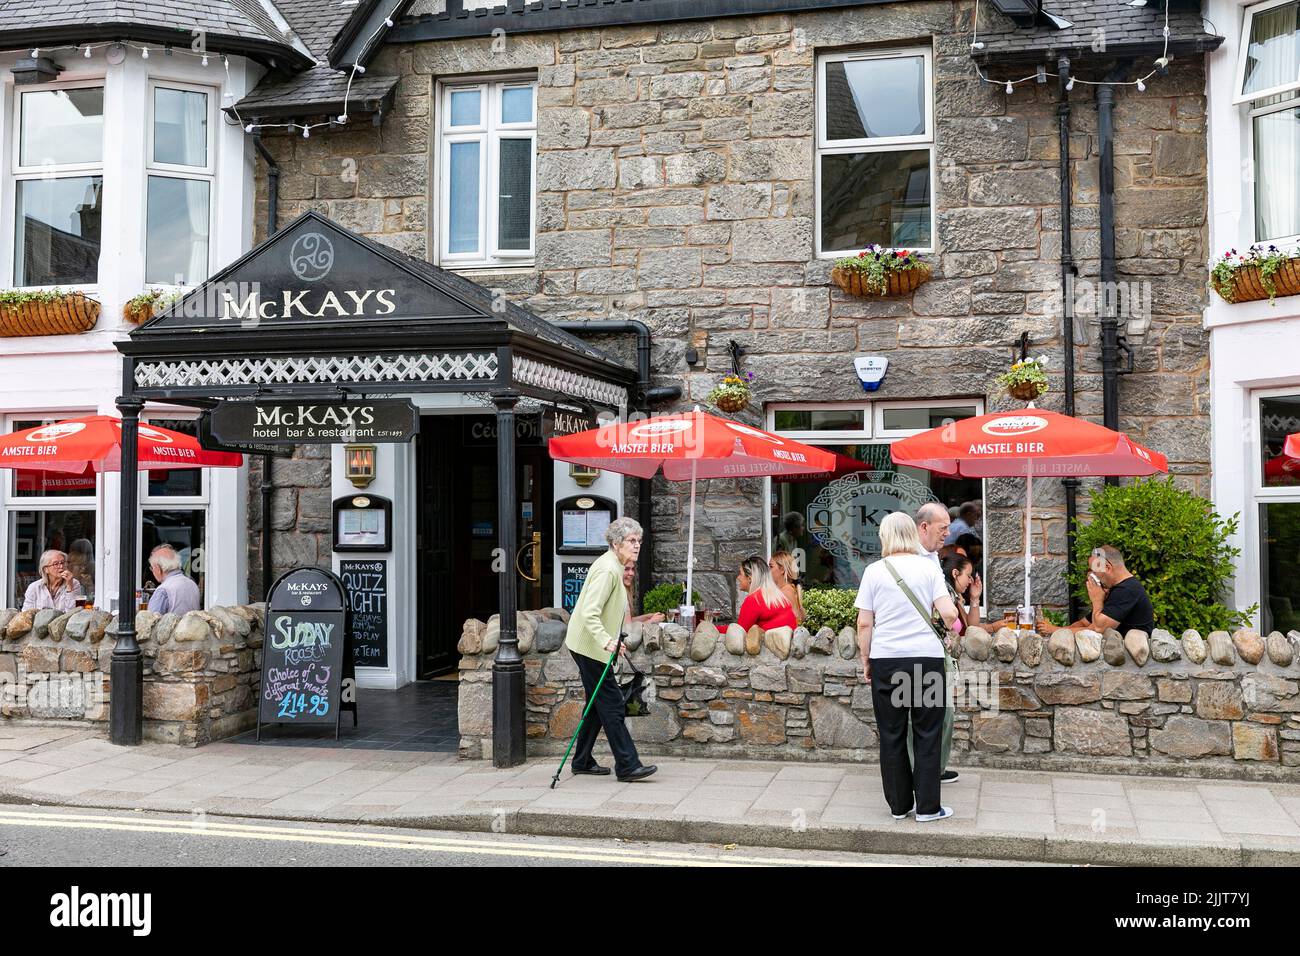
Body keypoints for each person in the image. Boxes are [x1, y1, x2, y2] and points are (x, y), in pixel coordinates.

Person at [856, 513, 961, 822]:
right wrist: (947, 626)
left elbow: (865, 623)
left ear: (886, 537)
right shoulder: (928, 569)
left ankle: (900, 806)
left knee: (891, 734)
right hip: (926, 661)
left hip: (887, 660)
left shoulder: (874, 571)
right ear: (913, 534)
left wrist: (866, 659)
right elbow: (949, 612)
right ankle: (929, 808)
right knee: (927, 733)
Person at [564, 517, 657, 783]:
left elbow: (605, 613)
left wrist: (614, 639)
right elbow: (590, 613)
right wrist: (607, 641)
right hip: (589, 646)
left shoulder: (613, 565)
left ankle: (581, 760)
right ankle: (628, 765)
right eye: (631, 541)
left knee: (596, 705)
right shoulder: (608, 570)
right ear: (616, 544)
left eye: (639, 540)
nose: (637, 545)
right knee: (613, 703)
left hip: (590, 644)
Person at [1040, 545, 1155, 636]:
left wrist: (1097, 600)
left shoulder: (1128, 590)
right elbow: (1084, 623)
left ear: (1107, 568)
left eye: (1094, 572)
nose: (1092, 576)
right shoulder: (1116, 589)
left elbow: (1098, 629)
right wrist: (1060, 631)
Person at [736, 555, 797, 632]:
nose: (738, 577)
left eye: (740, 574)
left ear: (749, 578)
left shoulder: (754, 599)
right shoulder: (776, 594)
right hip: (788, 640)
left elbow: (740, 631)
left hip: (773, 642)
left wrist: (716, 628)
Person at [146, 544, 201, 615]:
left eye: (152, 568)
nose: (152, 571)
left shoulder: (163, 591)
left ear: (157, 568)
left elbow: (150, 623)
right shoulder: (192, 584)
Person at [941, 551, 983, 633]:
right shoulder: (945, 595)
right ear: (955, 573)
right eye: (968, 576)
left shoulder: (954, 596)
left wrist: (975, 597)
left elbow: (972, 628)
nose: (971, 581)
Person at [622, 559, 665, 625]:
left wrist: (647, 617)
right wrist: (651, 621)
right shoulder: (619, 594)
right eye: (626, 569)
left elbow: (628, 621)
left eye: (633, 569)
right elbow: (628, 629)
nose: (631, 573)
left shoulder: (624, 590)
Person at [768, 551, 804, 624]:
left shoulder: (785, 592)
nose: (768, 570)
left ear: (782, 570)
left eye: (771, 566)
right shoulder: (789, 588)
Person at [915, 502, 950, 568]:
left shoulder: (932, 552)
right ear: (924, 527)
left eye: (948, 527)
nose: (948, 533)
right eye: (942, 528)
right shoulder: (910, 557)